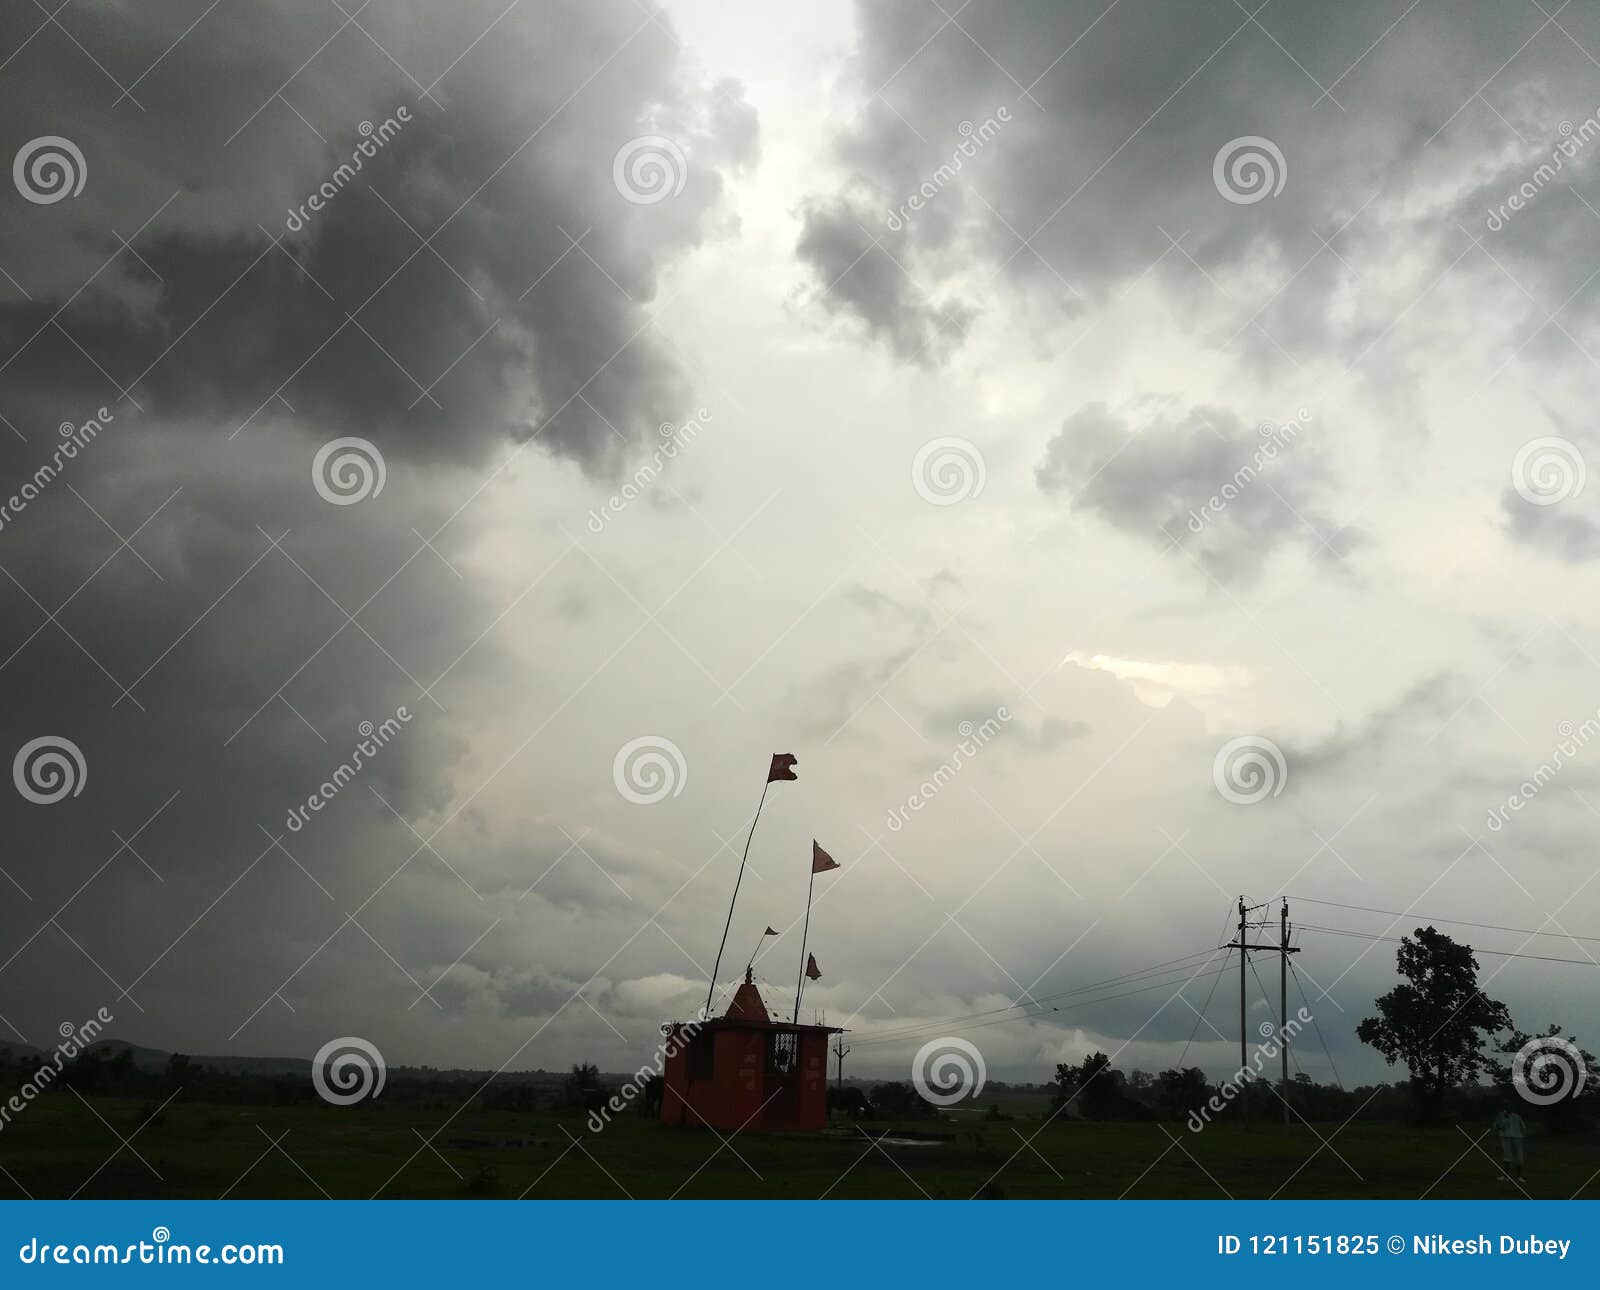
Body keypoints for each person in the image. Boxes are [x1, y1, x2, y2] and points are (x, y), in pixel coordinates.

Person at [1492, 1104, 1527, 1183]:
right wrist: (1503, 1120)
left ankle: (1519, 1176)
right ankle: (1505, 1176)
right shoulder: (1500, 1116)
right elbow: (1497, 1127)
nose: (1509, 1109)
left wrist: (1522, 1135)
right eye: (1507, 1107)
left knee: (1519, 1157)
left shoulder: (1517, 1116)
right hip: (1506, 1137)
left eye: (1510, 1107)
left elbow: (1523, 1127)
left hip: (1517, 1138)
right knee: (1507, 1156)